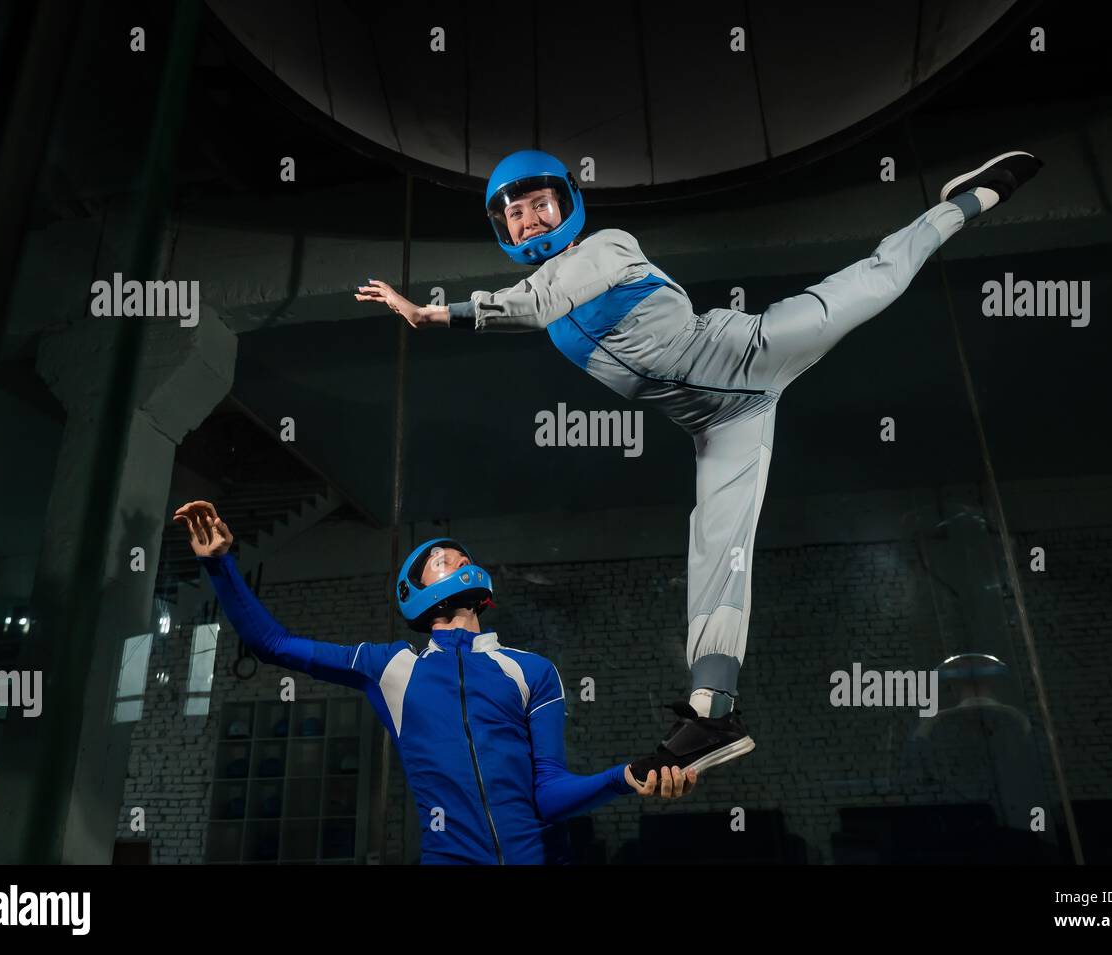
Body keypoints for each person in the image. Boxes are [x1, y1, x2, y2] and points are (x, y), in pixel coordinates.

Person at [355, 148, 1044, 782]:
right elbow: (543, 303)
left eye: (541, 202)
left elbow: (541, 303)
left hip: (751, 350)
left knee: (877, 280)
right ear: (502, 227)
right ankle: (713, 712)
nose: (530, 217)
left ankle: (972, 198)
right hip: (721, 423)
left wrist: (434, 313)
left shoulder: (605, 248)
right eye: (515, 210)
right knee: (717, 552)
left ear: (567, 203)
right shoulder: (550, 298)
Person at [173, 500, 697, 865]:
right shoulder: (390, 667)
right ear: (412, 590)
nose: (453, 556)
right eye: (437, 558)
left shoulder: (532, 671)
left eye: (460, 555)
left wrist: (625, 777)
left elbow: (549, 792)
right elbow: (275, 645)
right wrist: (220, 565)